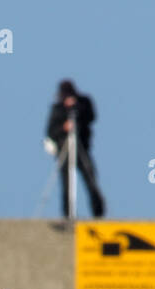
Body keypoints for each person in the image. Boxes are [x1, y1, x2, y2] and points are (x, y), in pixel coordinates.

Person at [45, 78, 106, 218]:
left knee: (91, 179)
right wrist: (63, 128)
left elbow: (91, 116)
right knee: (67, 185)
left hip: (82, 148)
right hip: (64, 151)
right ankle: (68, 215)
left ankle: (98, 213)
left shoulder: (84, 102)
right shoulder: (57, 108)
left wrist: (76, 107)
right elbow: (50, 131)